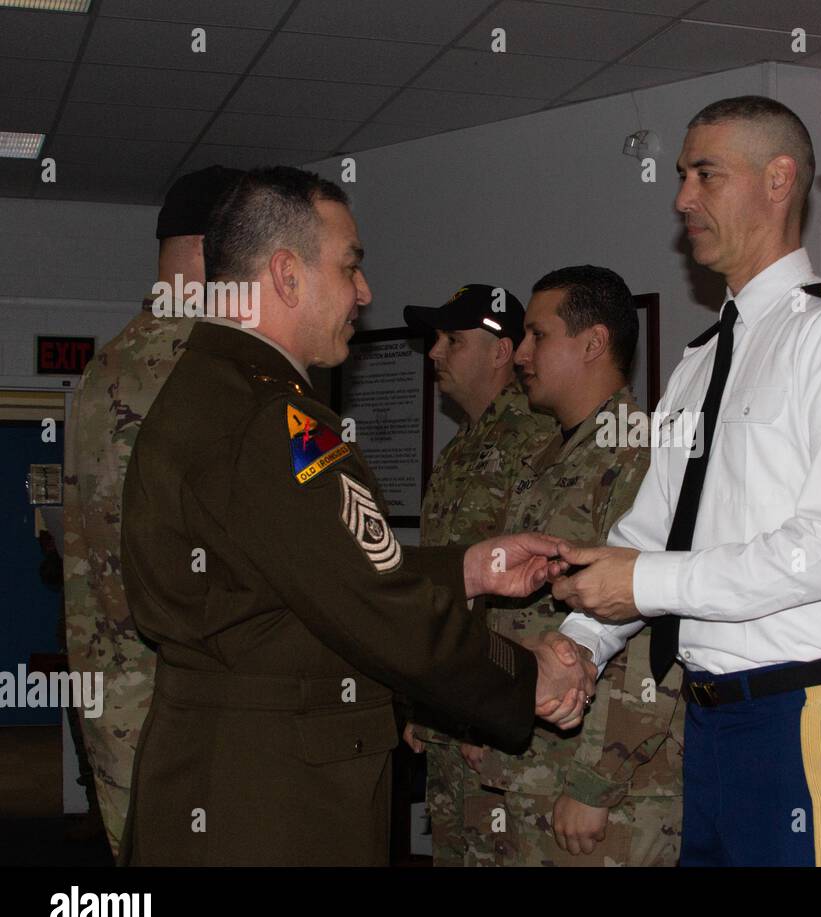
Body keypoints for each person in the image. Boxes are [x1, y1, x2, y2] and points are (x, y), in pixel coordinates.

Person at [119, 166, 594, 866]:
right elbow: (373, 601)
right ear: (286, 275)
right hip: (275, 799)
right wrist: (528, 676)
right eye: (350, 267)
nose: (364, 292)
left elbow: (312, 576)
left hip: (221, 772)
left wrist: (466, 567)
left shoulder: (205, 388)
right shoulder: (274, 418)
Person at [550, 97, 821, 866]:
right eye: (682, 175)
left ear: (778, 179)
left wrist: (649, 583)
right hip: (708, 720)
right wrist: (580, 643)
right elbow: (652, 533)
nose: (682, 198)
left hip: (801, 711)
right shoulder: (699, 361)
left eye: (705, 174)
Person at [461, 265, 683, 867]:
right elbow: (508, 614)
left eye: (538, 336)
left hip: (593, 785)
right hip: (524, 761)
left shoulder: (641, 454)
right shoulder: (544, 456)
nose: (522, 354)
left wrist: (596, 783)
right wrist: (484, 714)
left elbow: (659, 630)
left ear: (593, 343)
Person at [62, 165, 242, 858]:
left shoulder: (107, 367)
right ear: (214, 248)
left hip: (120, 703)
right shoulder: (203, 365)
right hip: (189, 712)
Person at [399, 283, 552, 866]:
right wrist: (424, 701)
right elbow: (444, 587)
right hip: (449, 714)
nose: (434, 352)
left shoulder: (535, 442)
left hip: (489, 723)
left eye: (451, 339)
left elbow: (533, 598)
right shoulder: (462, 448)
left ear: (499, 351)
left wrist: (484, 707)